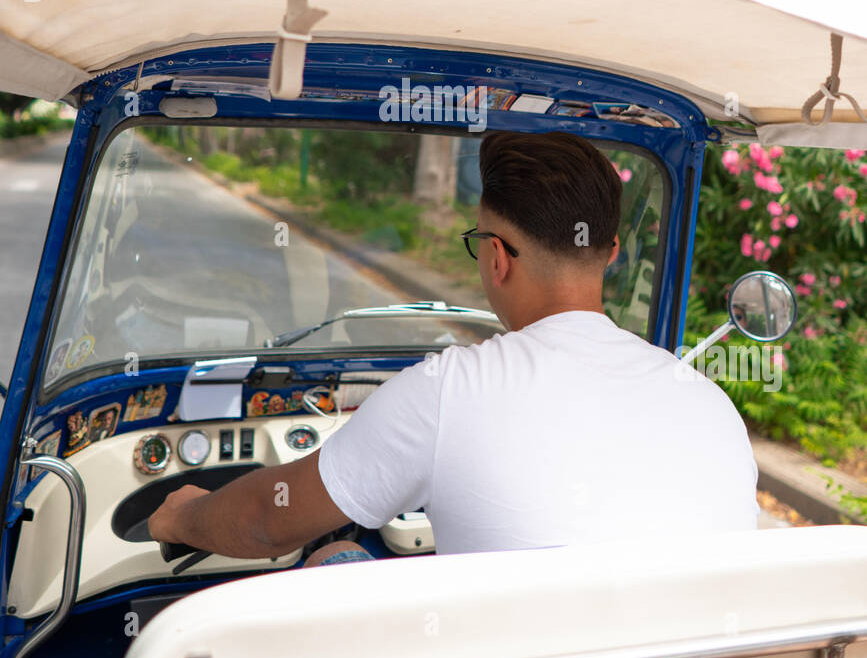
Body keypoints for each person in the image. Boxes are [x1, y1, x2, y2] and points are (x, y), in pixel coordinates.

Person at [148, 130, 758, 564]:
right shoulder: (711, 405)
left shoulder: (449, 391)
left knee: (335, 555)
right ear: (613, 251)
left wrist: (181, 516)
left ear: (495, 258)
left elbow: (264, 522)